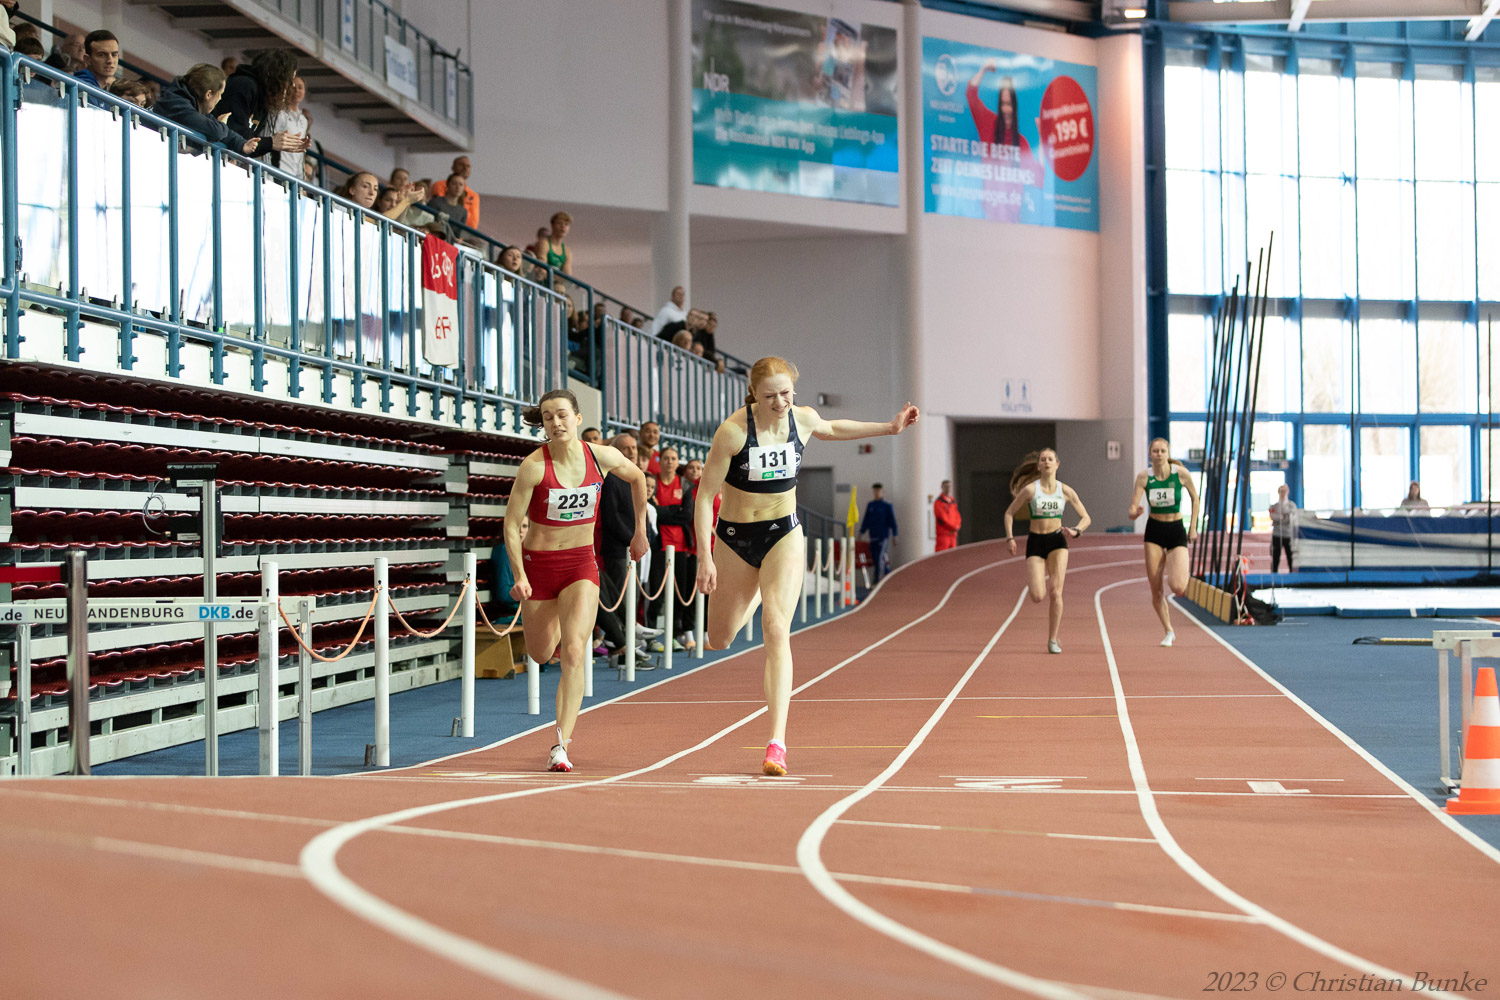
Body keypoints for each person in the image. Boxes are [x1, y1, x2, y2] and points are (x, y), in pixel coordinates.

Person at [694, 356, 919, 776]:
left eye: (785, 393)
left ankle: (776, 742)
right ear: (753, 394)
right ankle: (756, 586)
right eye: (770, 396)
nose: (779, 402)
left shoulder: (803, 419)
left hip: (783, 531)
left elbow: (835, 428)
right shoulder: (733, 433)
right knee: (720, 638)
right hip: (735, 539)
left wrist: (889, 428)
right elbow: (705, 497)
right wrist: (705, 557)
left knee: (776, 629)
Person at [504, 389, 648, 772]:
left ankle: (560, 744)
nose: (556, 422)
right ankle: (543, 637)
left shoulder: (600, 457)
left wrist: (640, 532)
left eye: (563, 414)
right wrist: (519, 575)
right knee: (539, 652)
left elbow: (638, 478)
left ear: (578, 418)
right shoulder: (534, 466)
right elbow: (509, 522)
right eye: (548, 416)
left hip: (581, 565)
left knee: (573, 651)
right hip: (540, 567)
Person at [1004, 449, 1092, 654]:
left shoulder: (1066, 491)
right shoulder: (1030, 490)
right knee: (1037, 595)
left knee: (1056, 592)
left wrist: (1076, 530)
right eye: (1043, 460)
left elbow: (1086, 517)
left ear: (1057, 464)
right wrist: (1010, 538)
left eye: (1050, 459)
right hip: (1035, 542)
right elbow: (1009, 513)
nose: (1046, 462)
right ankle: (1040, 575)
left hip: (1057, 541)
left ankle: (1053, 639)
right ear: (1038, 466)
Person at [1128, 437, 1201, 648]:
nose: (1159, 454)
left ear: (1168, 454)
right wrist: (1136, 512)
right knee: (1156, 588)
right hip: (1154, 531)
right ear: (1150, 454)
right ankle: (1168, 630)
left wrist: (1193, 526)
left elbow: (1195, 498)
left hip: (1176, 529)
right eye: (1155, 451)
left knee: (1178, 586)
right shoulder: (1144, 477)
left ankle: (1174, 564)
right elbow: (1132, 509)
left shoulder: (1181, 474)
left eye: (1162, 451)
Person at [219, 49, 309, 162]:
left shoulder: (263, 97)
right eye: (289, 80)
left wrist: (273, 143)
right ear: (277, 76)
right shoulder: (244, 86)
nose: (291, 85)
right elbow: (235, 132)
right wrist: (271, 142)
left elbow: (249, 143)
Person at [152, 64, 258, 154]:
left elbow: (212, 126)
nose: (220, 98)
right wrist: (221, 125)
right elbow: (216, 131)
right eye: (220, 94)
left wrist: (242, 144)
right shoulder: (177, 104)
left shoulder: (191, 104)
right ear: (209, 94)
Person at [651, 446, 697, 651]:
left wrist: (662, 511)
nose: (670, 461)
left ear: (678, 463)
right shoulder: (653, 481)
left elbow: (687, 515)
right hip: (658, 546)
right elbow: (649, 510)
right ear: (660, 461)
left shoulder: (685, 485)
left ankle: (676, 632)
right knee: (656, 592)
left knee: (680, 593)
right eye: (666, 458)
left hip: (680, 547)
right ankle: (650, 633)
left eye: (674, 458)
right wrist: (671, 511)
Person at [270, 75, 310, 180]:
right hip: (277, 170)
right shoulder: (279, 113)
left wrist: (301, 179)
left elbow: (300, 152)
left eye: (300, 87)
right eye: (293, 87)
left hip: (294, 176)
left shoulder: (303, 120)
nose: (297, 90)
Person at [858, 483, 898, 584]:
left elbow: (892, 522)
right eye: (875, 491)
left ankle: (877, 582)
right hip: (873, 536)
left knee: (880, 558)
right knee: (875, 559)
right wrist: (861, 533)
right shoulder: (870, 505)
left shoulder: (887, 506)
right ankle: (888, 577)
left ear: (882, 492)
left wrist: (895, 535)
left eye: (879, 491)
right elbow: (866, 520)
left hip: (883, 536)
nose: (876, 493)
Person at [429, 156, 480, 228]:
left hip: (461, 233)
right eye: (461, 165)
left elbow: (473, 223)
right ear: (453, 167)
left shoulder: (474, 196)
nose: (465, 168)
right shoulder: (439, 185)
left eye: (468, 166)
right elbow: (442, 208)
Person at [1269, 483, 1297, 573]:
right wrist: (1284, 516)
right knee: (1275, 557)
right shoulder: (1273, 506)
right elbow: (1273, 516)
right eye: (1281, 491)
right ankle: (1274, 576)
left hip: (1289, 535)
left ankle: (1293, 577)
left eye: (1284, 491)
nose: (1283, 493)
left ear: (1287, 492)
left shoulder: (1292, 505)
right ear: (1278, 492)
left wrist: (1281, 517)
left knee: (1291, 557)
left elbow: (1291, 518)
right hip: (1277, 535)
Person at [934, 480, 961, 551]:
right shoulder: (938, 502)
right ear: (942, 487)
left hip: (953, 535)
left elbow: (957, 515)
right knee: (942, 556)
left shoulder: (952, 501)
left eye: (949, 486)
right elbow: (942, 518)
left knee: (953, 557)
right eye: (946, 486)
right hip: (943, 534)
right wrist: (952, 528)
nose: (948, 488)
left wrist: (957, 526)